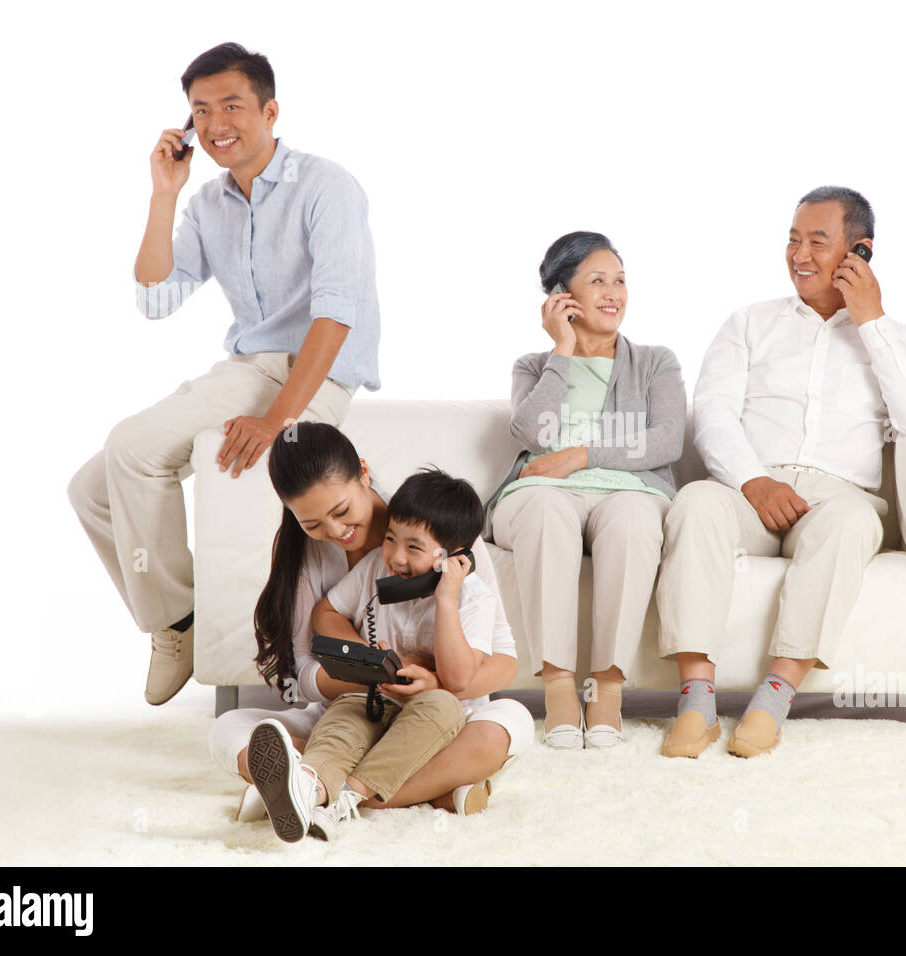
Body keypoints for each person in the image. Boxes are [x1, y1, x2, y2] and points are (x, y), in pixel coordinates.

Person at [66, 42, 380, 706]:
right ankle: (180, 616)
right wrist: (163, 194)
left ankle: (173, 619)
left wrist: (278, 418)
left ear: (270, 110)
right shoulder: (208, 202)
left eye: (231, 105)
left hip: (304, 377)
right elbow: (155, 298)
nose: (214, 124)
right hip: (246, 368)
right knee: (90, 488)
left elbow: (336, 315)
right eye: (200, 111)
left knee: (131, 445)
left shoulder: (326, 186)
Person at [656, 186, 906, 758]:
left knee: (853, 524)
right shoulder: (749, 323)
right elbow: (712, 411)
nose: (800, 255)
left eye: (818, 241)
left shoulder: (894, 337)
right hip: (751, 486)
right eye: (793, 240)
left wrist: (871, 320)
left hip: (838, 498)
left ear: (859, 250)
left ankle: (774, 698)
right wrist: (753, 481)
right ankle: (696, 700)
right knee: (694, 502)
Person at [207, 423, 532, 822]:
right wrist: (368, 670)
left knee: (510, 724)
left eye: (341, 511)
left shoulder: (439, 523)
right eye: (312, 524)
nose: (335, 532)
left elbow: (504, 659)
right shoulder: (314, 557)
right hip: (352, 710)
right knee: (229, 728)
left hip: (440, 714)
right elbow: (306, 671)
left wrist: (437, 680)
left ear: (363, 472)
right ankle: (426, 789)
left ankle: (324, 790)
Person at [484, 232, 686, 749]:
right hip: (542, 494)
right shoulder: (534, 365)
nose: (613, 292)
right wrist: (564, 350)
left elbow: (666, 439)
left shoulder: (656, 361)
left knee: (636, 520)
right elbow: (532, 434)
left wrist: (582, 455)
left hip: (629, 491)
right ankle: (558, 692)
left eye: (619, 280)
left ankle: (607, 691)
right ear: (561, 296)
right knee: (548, 509)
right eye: (597, 281)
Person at [247, 466, 497, 842]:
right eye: (391, 538)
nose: (395, 557)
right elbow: (324, 612)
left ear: (453, 558)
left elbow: (460, 678)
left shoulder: (473, 599)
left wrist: (445, 599)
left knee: (444, 706)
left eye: (413, 547)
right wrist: (366, 654)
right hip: (370, 697)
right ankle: (308, 789)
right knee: (341, 722)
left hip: (428, 715)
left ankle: (347, 797)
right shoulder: (373, 569)